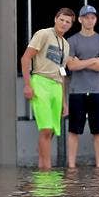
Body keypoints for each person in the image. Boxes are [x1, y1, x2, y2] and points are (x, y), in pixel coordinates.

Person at [21, 9, 74, 170]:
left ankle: (42, 165)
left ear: (71, 25)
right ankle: (47, 169)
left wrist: (64, 101)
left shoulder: (66, 44)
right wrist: (27, 84)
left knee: (51, 131)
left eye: (68, 22)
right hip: (41, 81)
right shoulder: (43, 34)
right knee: (46, 127)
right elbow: (26, 58)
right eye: (62, 19)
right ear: (55, 19)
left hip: (56, 85)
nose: (64, 23)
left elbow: (62, 72)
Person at [65, 4, 99, 168]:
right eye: (86, 17)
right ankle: (71, 166)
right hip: (77, 91)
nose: (90, 20)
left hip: (97, 91)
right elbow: (71, 66)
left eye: (93, 17)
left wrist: (81, 62)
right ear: (80, 19)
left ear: (96, 20)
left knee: (98, 131)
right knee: (74, 131)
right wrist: (93, 60)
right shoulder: (72, 41)